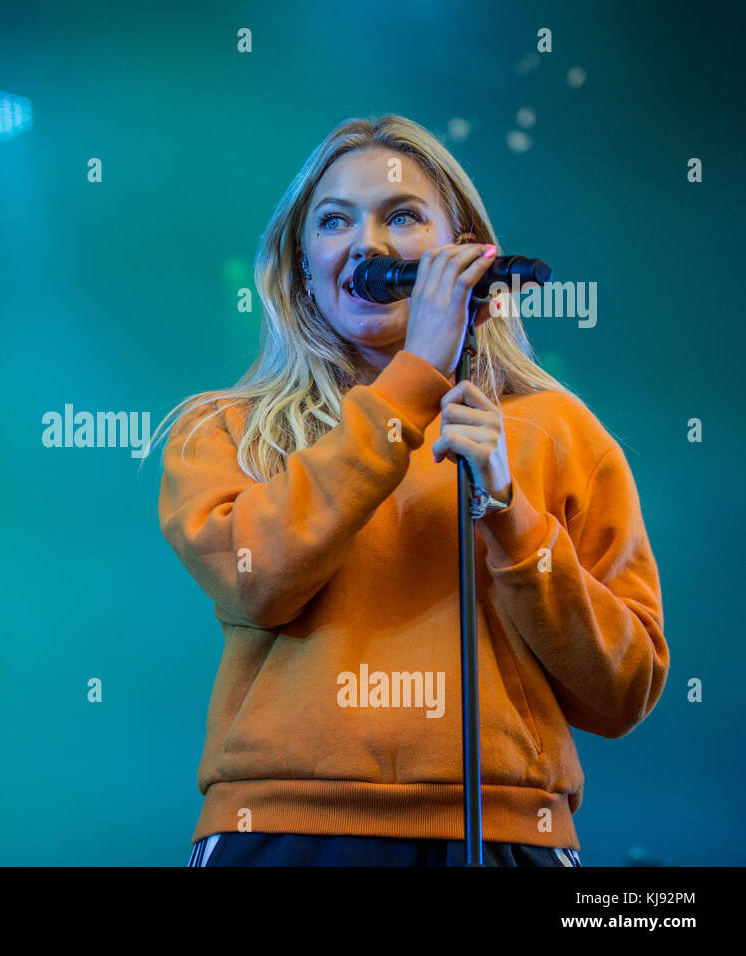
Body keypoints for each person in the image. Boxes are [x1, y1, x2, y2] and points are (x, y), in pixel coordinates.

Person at [145, 114, 668, 867]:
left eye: (402, 216)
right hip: (281, 831)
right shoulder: (227, 428)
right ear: (301, 263)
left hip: (505, 831)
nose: (368, 245)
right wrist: (413, 379)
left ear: (466, 256)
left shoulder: (557, 431)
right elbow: (252, 579)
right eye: (334, 221)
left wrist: (509, 517)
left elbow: (623, 689)